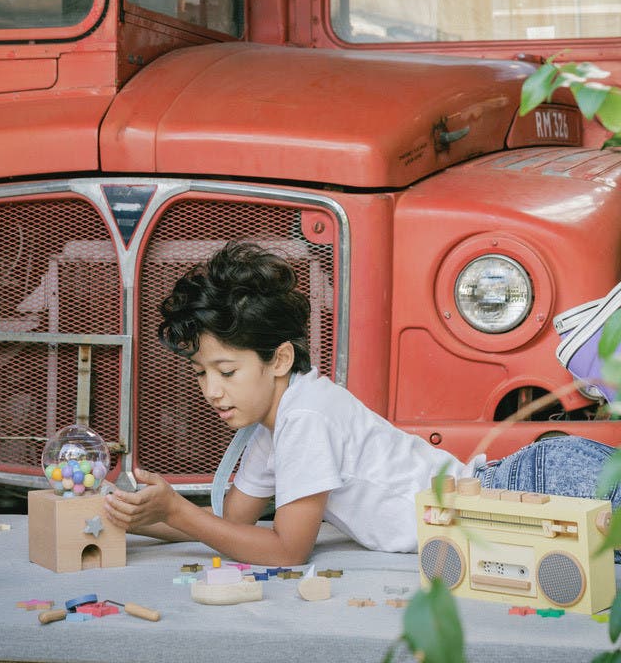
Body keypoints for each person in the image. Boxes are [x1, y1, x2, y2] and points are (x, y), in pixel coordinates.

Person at [102, 241, 621, 566]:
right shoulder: (274, 424)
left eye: (227, 371)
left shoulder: (304, 416)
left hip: (525, 491)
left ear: (279, 359)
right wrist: (135, 514)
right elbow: (234, 528)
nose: (211, 391)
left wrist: (177, 512)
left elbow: (286, 551)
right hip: (516, 492)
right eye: (200, 374)